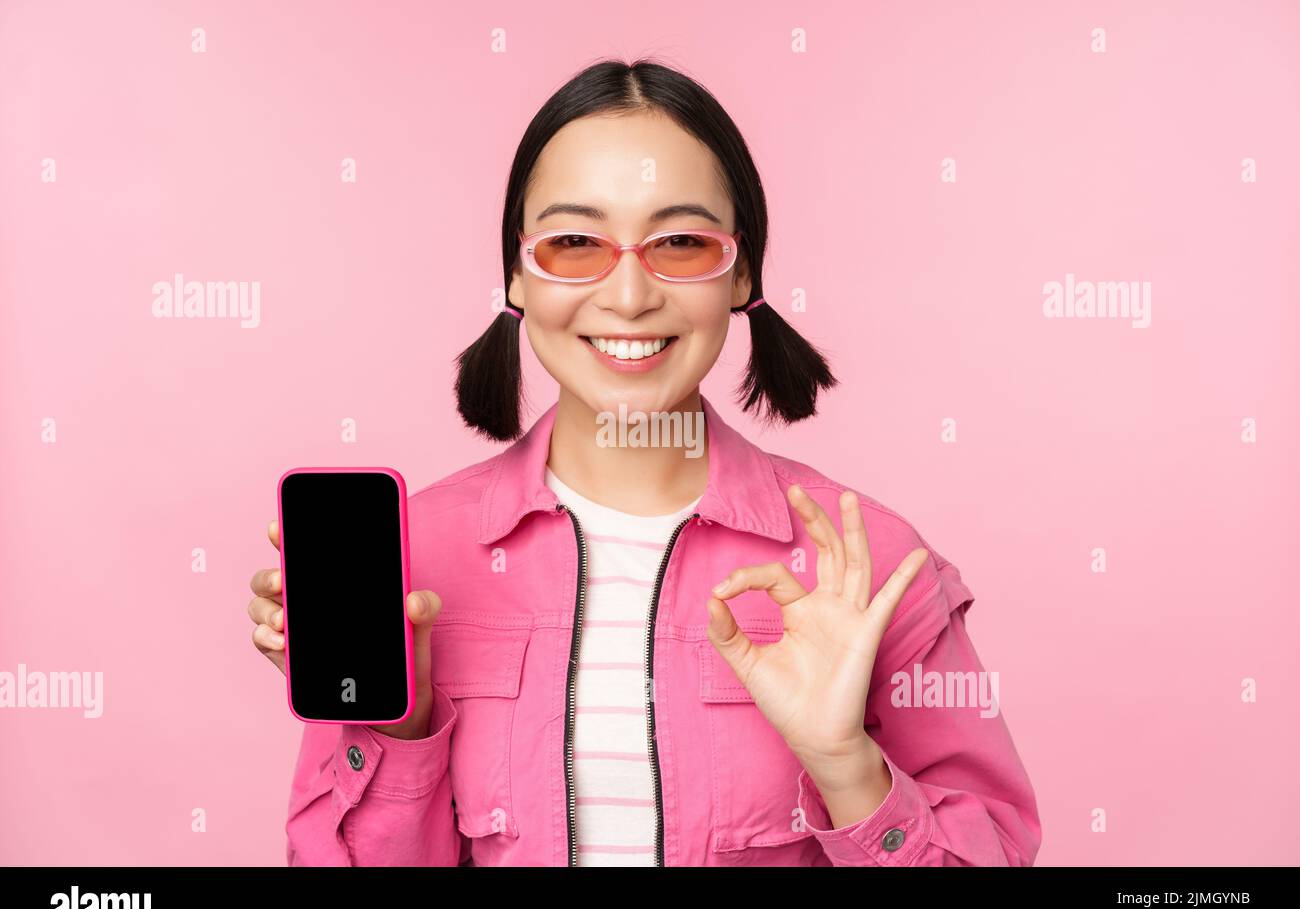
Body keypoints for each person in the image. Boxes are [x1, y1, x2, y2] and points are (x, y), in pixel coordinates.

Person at [247, 57, 1041, 866]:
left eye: (683, 242)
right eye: (573, 242)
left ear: (743, 275)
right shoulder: (410, 562)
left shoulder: (865, 563)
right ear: (518, 275)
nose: (628, 296)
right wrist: (395, 728)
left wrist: (846, 766)